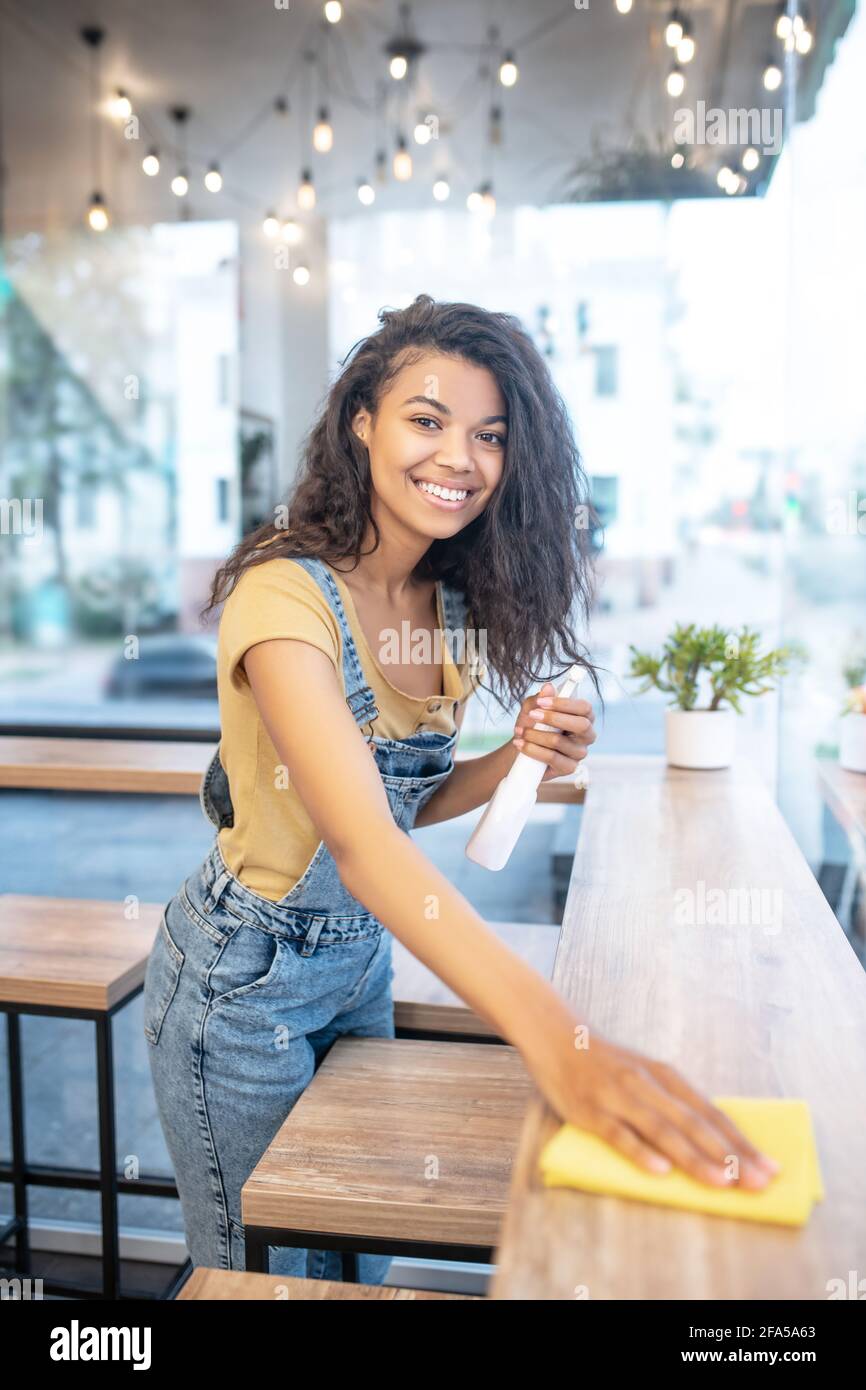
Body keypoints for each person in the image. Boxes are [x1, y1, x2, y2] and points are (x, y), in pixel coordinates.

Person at [142, 294, 779, 1284]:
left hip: (357, 964)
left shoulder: (438, 604)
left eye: (488, 435)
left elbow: (401, 802)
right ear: (362, 422)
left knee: (350, 1259)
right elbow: (359, 843)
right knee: (256, 1274)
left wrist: (516, 756)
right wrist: (554, 1038)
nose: (460, 458)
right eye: (427, 420)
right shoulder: (282, 597)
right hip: (240, 980)